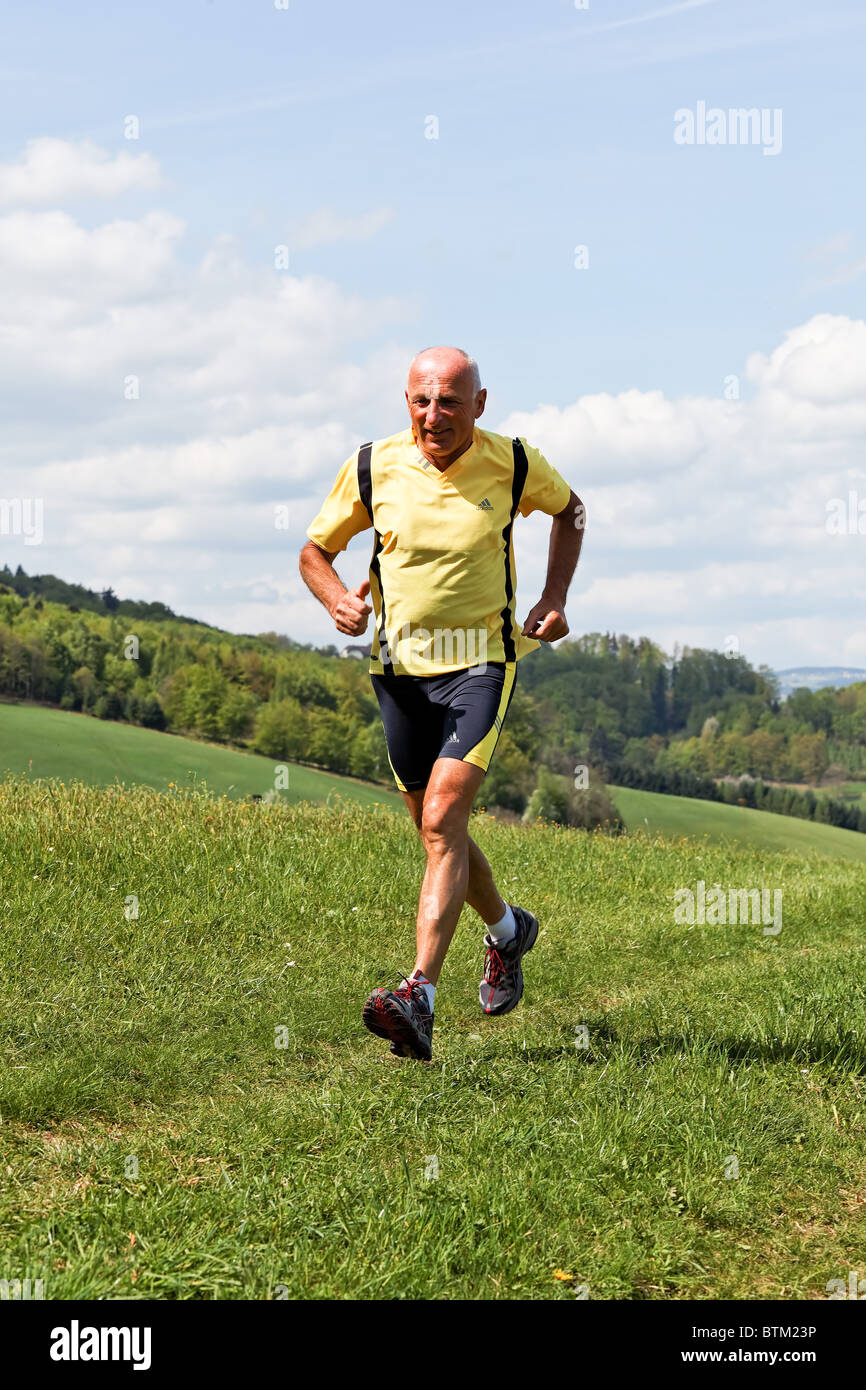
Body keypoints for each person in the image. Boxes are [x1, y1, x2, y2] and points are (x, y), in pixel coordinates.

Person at [299, 346, 584, 1060]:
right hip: (398, 671)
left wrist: (554, 597)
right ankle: (510, 931)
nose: (435, 416)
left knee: (444, 816)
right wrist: (338, 601)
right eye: (422, 401)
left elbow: (571, 511)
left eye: (451, 402)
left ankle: (418, 993)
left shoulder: (513, 463)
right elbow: (314, 550)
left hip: (481, 665)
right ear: (406, 402)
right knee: (437, 836)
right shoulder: (373, 466)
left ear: (479, 405)